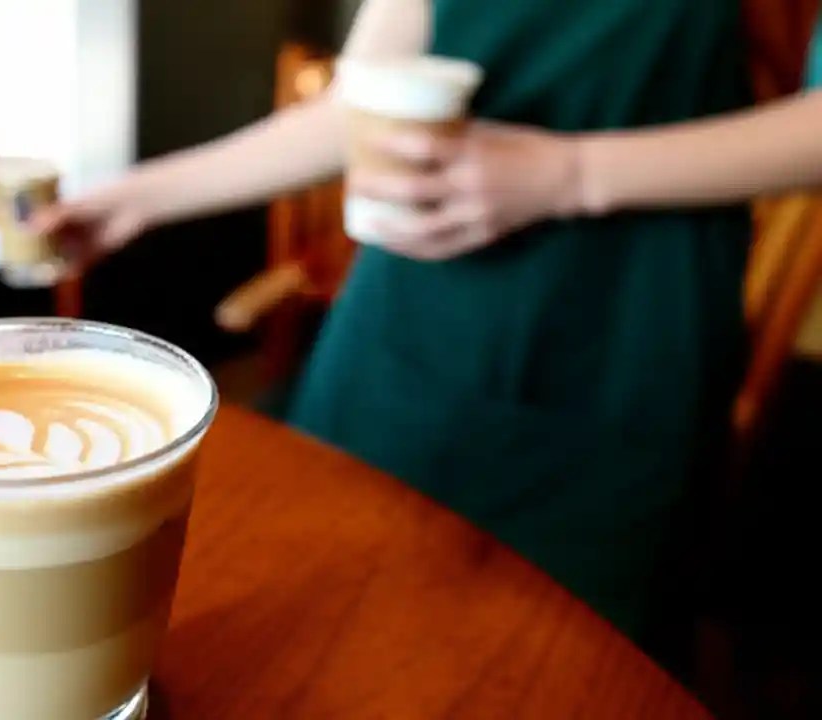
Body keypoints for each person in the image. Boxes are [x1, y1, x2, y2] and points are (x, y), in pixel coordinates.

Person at [41, 0, 822, 655]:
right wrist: (137, 199)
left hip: (620, 334)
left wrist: (570, 175)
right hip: (405, 328)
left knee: (571, 656)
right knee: (333, 621)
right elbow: (361, 103)